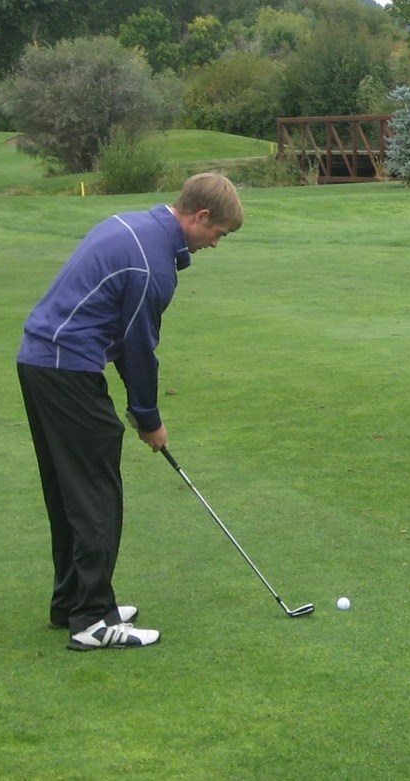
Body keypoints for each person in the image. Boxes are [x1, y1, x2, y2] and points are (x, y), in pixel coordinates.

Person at [17, 173, 243, 651]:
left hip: (42, 362)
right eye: (217, 234)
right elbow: (139, 348)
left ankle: (72, 602)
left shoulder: (135, 225)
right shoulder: (152, 265)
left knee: (69, 489)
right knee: (96, 492)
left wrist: (142, 413)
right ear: (199, 217)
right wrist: (149, 418)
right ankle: (94, 620)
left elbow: (121, 340)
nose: (214, 245)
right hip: (66, 369)